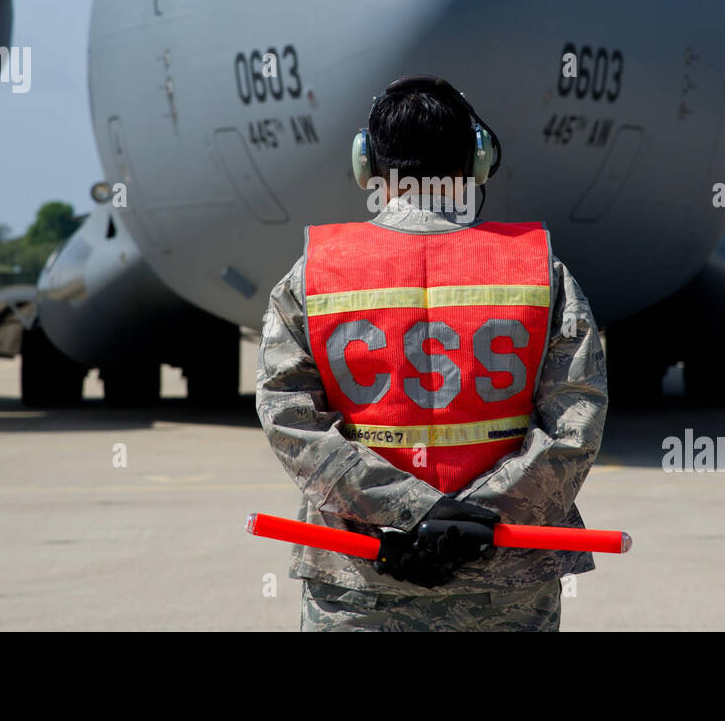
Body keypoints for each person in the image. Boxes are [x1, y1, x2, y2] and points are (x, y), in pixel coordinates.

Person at [255, 75, 608, 631]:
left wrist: (405, 514)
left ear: (365, 164)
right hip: (504, 574)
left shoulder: (316, 275)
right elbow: (575, 423)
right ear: (478, 159)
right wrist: (471, 522)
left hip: (362, 573)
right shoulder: (541, 272)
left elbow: (288, 418)